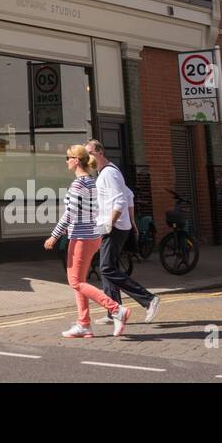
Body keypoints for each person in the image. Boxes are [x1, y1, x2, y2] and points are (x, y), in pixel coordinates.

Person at [44, 144, 126, 338]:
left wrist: (54, 236)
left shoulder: (79, 184)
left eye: (68, 157)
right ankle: (84, 324)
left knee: (75, 281)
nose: (66, 161)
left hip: (81, 236)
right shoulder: (92, 181)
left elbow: (69, 214)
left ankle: (116, 309)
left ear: (76, 160)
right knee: (78, 281)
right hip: (93, 235)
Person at [88, 139, 160, 325]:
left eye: (91, 153)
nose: (88, 158)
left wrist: (111, 224)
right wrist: (132, 221)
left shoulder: (109, 174)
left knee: (106, 268)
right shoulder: (108, 172)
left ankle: (148, 299)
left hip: (113, 227)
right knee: (107, 268)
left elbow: (120, 200)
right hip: (116, 225)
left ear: (100, 153)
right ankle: (114, 311)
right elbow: (129, 195)